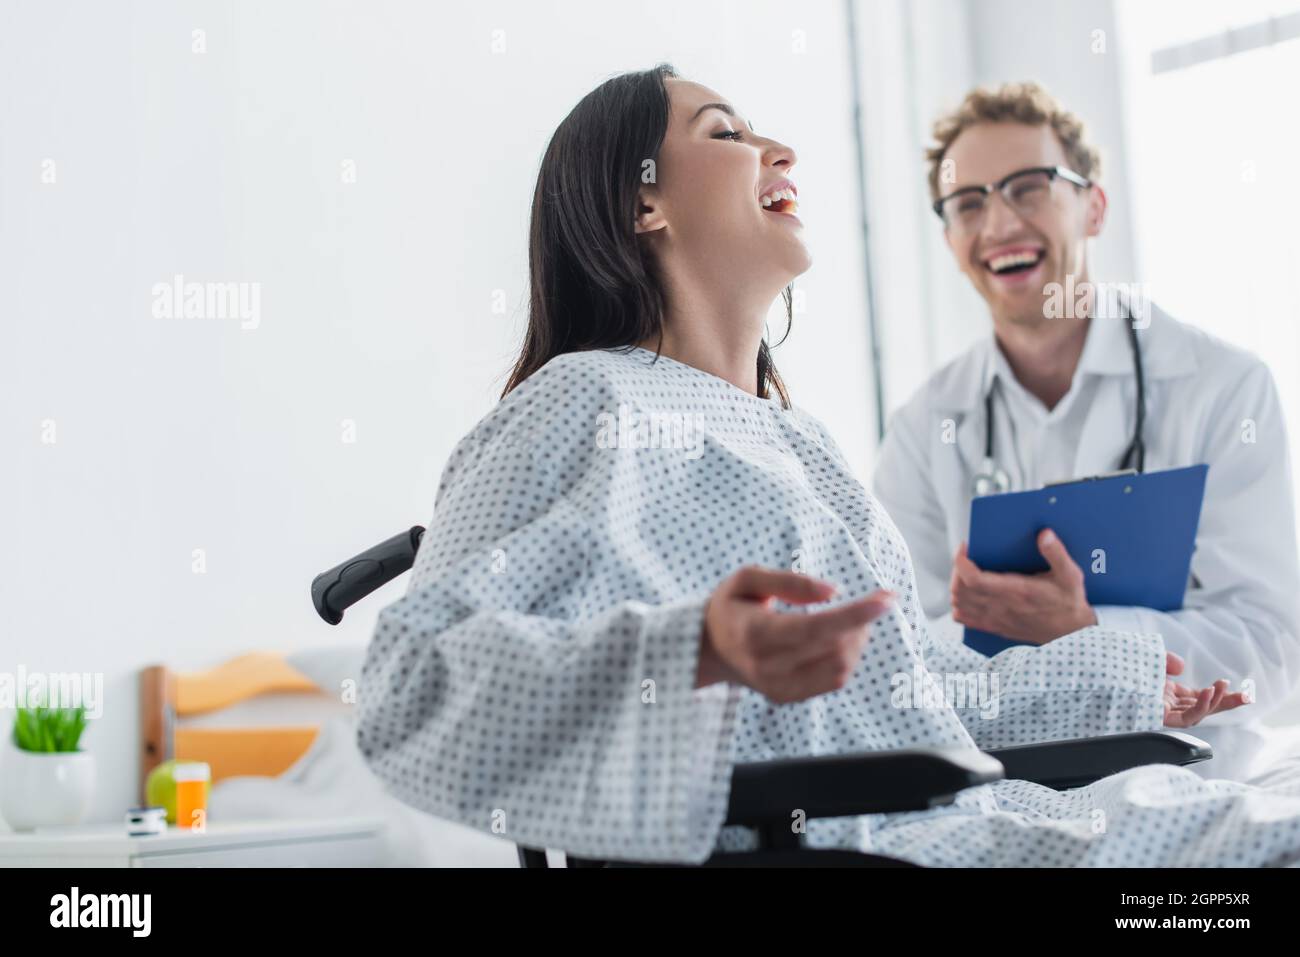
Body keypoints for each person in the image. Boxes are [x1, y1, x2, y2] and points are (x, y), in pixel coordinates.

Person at [356, 66, 1300, 867]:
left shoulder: (800, 441)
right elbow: (406, 693)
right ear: (643, 199)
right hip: (881, 851)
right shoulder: (585, 403)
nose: (781, 151)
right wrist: (692, 649)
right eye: (725, 132)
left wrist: (1120, 686)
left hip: (958, 821)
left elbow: (910, 694)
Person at [872, 82, 1300, 782]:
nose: (999, 223)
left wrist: (1089, 635)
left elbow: (1274, 644)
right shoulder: (923, 429)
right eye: (968, 202)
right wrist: (1062, 656)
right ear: (949, 237)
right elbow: (898, 652)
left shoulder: (1222, 385)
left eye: (1028, 187)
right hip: (1005, 785)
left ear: (1094, 207)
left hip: (1203, 781)